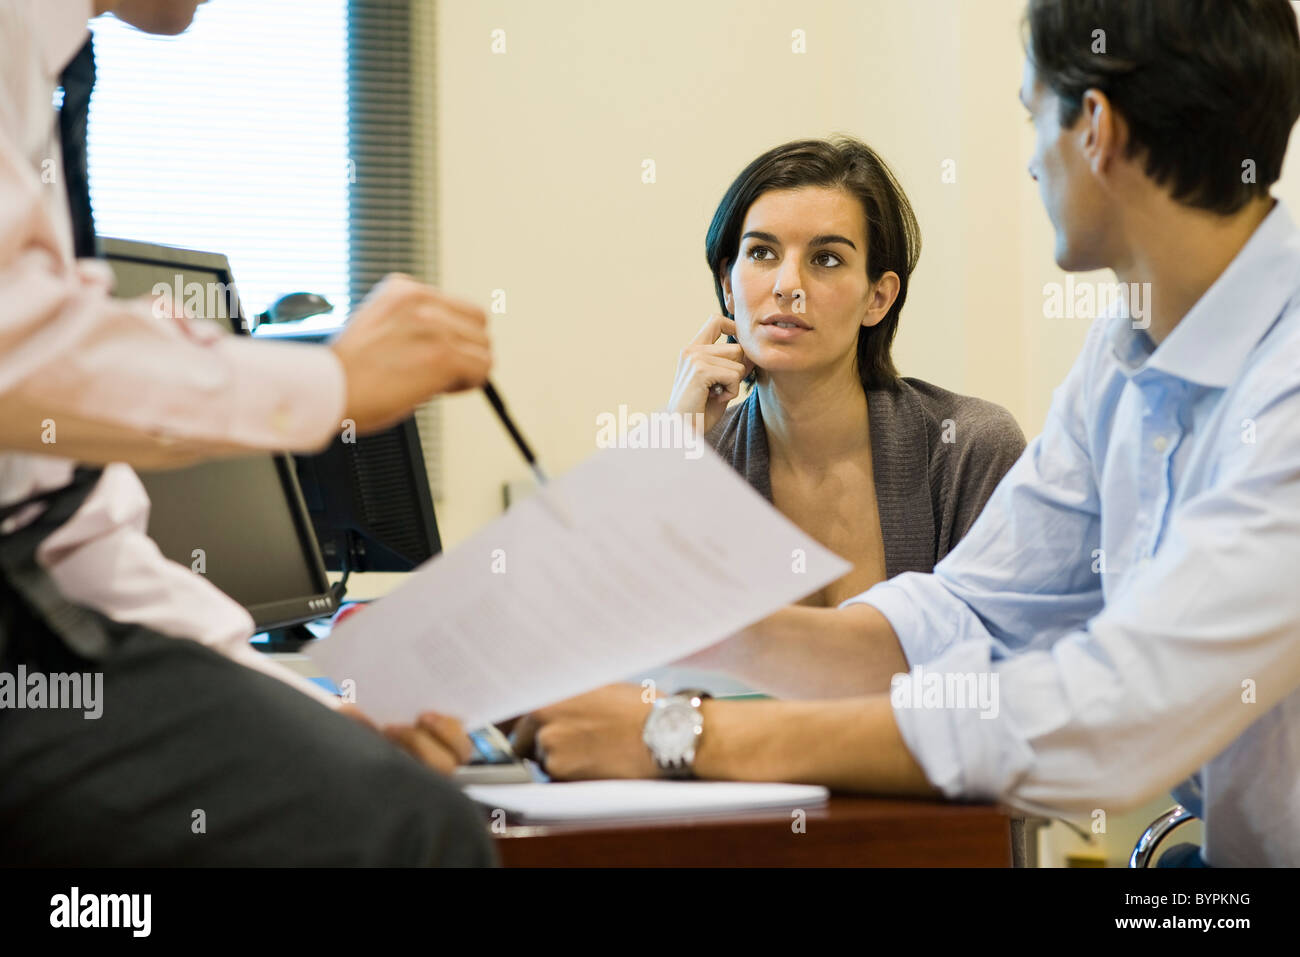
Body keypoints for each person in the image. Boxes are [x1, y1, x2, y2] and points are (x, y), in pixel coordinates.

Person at [519, 0, 1300, 867]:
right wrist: (692, 633)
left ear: (1094, 130)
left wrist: (685, 735)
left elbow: (1113, 714)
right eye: (759, 253)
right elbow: (965, 612)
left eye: (1029, 115)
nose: (1033, 167)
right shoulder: (1122, 352)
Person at [0, 0, 492, 864]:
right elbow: (17, 352)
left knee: (383, 806)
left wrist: (291, 702)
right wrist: (331, 379)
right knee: (410, 832)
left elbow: (68, 533)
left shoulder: (48, 64)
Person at [670, 137, 1024, 615]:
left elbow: (1003, 664)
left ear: (877, 297)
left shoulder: (971, 450)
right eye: (761, 253)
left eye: (826, 259)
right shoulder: (694, 459)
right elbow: (616, 653)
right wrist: (669, 457)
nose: (788, 286)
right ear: (727, 286)